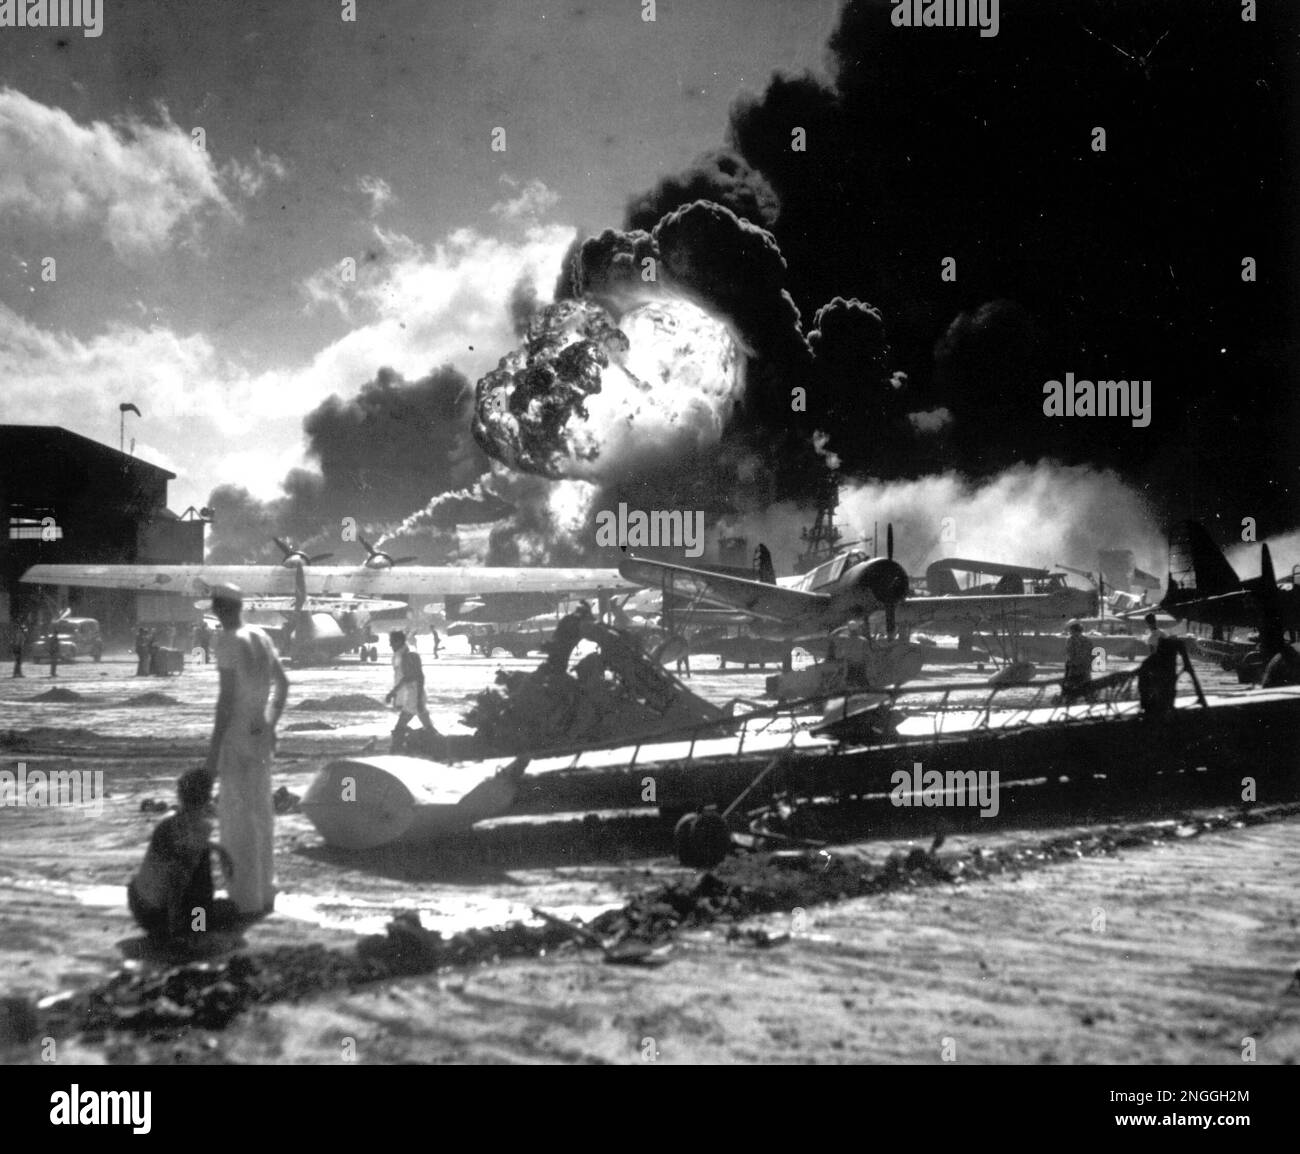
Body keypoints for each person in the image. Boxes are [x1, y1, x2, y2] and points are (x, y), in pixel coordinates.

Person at [204, 584, 288, 918]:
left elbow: (225, 702)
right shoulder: (262, 637)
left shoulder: (227, 641)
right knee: (261, 813)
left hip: (237, 734)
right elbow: (283, 684)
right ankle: (266, 892)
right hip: (259, 733)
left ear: (218, 608)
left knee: (237, 817)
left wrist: (212, 752)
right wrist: (270, 722)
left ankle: (244, 898)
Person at [128, 768, 237, 942]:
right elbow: (177, 882)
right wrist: (178, 929)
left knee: (200, 859)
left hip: (141, 906)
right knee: (227, 909)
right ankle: (197, 927)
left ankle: (193, 924)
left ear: (180, 796)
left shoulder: (168, 824)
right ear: (207, 799)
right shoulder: (198, 831)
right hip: (161, 917)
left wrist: (217, 848)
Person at [385, 630, 439, 753]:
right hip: (414, 694)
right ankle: (438, 744)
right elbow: (406, 678)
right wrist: (394, 692)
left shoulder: (410, 657)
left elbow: (419, 677)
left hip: (415, 695)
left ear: (398, 642)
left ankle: (395, 749)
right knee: (427, 725)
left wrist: (419, 698)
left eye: (392, 642)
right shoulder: (403, 656)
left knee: (400, 725)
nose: (390, 645)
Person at [1063, 620, 1092, 694]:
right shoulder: (1087, 639)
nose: (1070, 632)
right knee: (1085, 681)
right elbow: (1090, 651)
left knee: (1070, 681)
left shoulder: (1071, 639)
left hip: (1074, 664)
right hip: (1084, 664)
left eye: (1071, 631)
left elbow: (1069, 651)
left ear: (1074, 631)